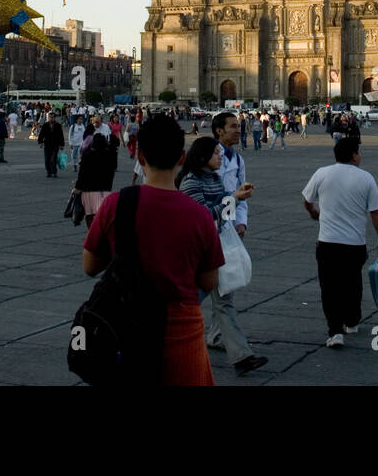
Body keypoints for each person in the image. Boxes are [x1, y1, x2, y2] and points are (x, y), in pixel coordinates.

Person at [82, 114, 224, 386]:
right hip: (182, 331)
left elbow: (89, 266)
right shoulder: (200, 215)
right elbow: (209, 280)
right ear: (182, 159)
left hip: (127, 327)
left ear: (141, 157)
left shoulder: (115, 204)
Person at [176, 135, 267, 375]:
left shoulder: (213, 178)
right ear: (204, 157)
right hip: (199, 254)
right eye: (216, 153)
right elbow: (202, 217)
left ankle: (238, 354)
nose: (220, 157)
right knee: (190, 303)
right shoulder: (191, 182)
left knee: (222, 300)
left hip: (213, 248)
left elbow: (221, 212)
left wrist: (237, 199)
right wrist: (233, 199)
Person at [301, 136, 378, 348]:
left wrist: (314, 212)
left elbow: (307, 199)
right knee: (352, 283)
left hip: (327, 242)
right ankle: (351, 320)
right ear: (354, 156)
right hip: (354, 244)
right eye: (358, 152)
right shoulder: (366, 178)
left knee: (329, 287)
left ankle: (335, 331)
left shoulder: (322, 173)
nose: (360, 156)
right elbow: (376, 213)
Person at [73, 132, 119, 227]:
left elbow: (82, 175)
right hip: (105, 189)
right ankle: (100, 233)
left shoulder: (87, 156)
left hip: (89, 191)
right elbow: (114, 166)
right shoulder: (110, 156)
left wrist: (77, 187)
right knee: (102, 215)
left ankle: (92, 233)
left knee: (89, 216)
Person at [41, 111, 66, 178]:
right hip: (47, 144)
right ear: (48, 118)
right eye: (50, 117)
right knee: (47, 159)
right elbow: (42, 134)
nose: (51, 119)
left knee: (53, 159)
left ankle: (54, 172)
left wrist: (61, 144)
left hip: (55, 144)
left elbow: (61, 135)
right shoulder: (45, 125)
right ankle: (48, 172)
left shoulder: (58, 125)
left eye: (52, 117)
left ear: (54, 118)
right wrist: (41, 142)